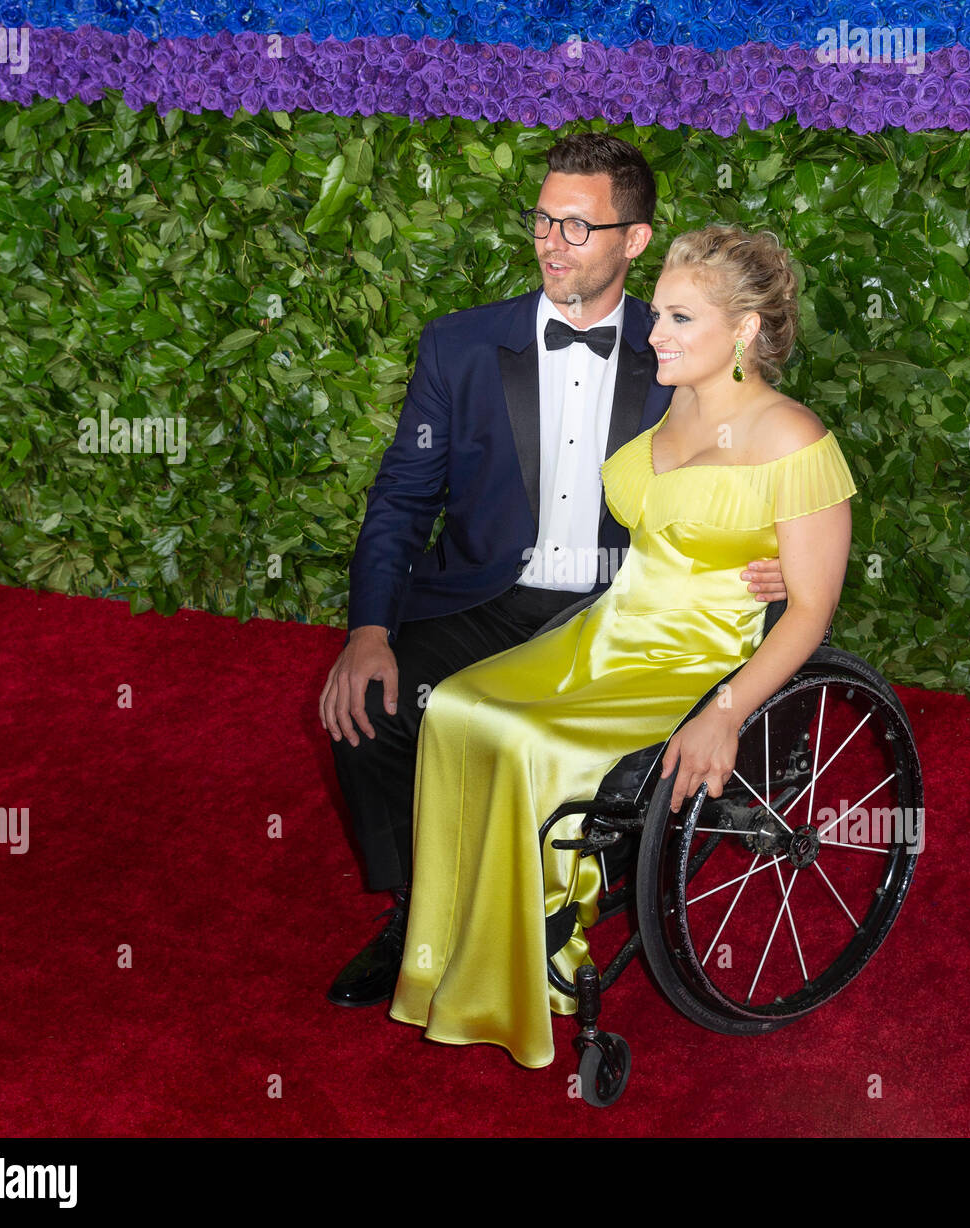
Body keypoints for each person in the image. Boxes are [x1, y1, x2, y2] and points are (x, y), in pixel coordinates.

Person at [318, 133, 788, 1008]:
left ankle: (555, 907)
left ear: (634, 240)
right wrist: (369, 629)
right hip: (489, 598)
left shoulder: (680, 345)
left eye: (577, 226)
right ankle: (418, 913)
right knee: (370, 706)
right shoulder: (460, 346)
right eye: (542, 220)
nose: (550, 242)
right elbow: (402, 499)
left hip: (623, 610)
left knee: (539, 742)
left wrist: (776, 558)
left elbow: (761, 457)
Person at [388, 224, 857, 1068]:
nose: (654, 334)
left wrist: (726, 710)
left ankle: (538, 958)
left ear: (745, 330)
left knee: (530, 740)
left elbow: (811, 612)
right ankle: (451, 959)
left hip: (699, 660)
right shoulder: (675, 400)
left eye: (679, 319)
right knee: (455, 707)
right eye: (658, 315)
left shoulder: (793, 440)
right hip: (608, 630)